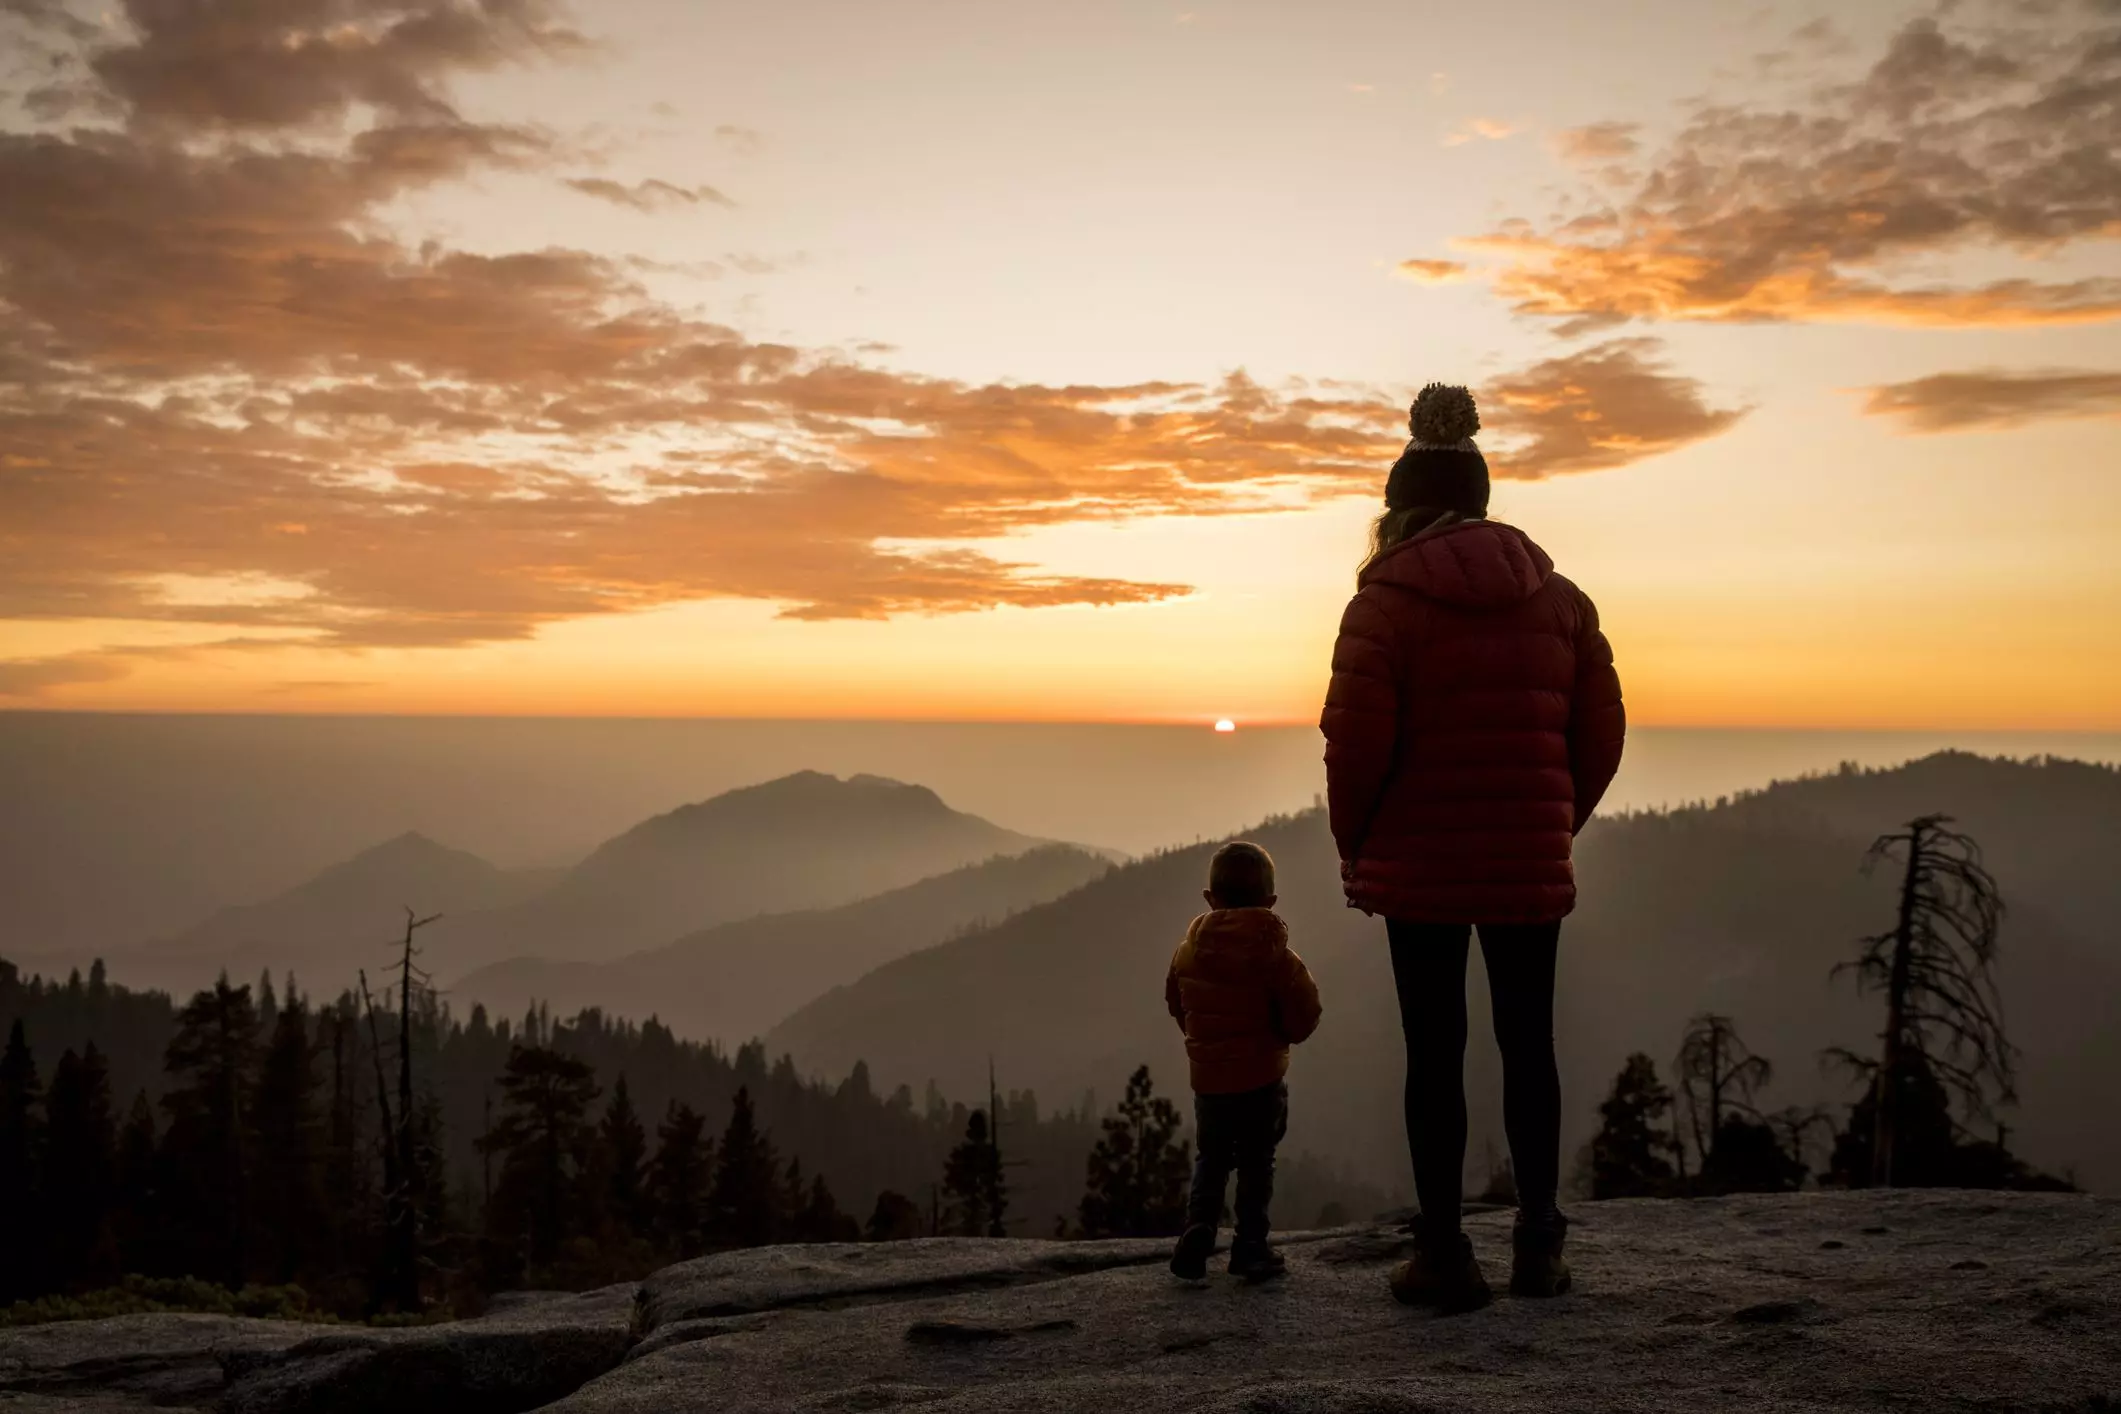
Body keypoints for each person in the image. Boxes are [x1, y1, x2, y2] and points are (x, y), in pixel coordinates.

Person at [1320, 383, 1625, 1314]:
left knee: (1434, 1051)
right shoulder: (1561, 601)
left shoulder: (1381, 605)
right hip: (1526, 855)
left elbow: (1353, 741)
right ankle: (1539, 1247)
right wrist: (1548, 824)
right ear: (1484, 497)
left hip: (1418, 862)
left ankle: (1444, 1254)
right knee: (1527, 1043)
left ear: (1397, 506)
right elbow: (1601, 731)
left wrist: (1356, 844)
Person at [1164, 841, 1323, 1283]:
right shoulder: (1279, 961)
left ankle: (1197, 1231)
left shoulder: (1187, 954)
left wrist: (1205, 1044)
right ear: (1271, 902)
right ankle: (1251, 1246)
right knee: (1256, 1160)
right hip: (1262, 1078)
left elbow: (1178, 1006)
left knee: (1211, 1156)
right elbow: (1304, 1015)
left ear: (1210, 899)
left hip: (1209, 1079)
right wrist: (1280, 1036)